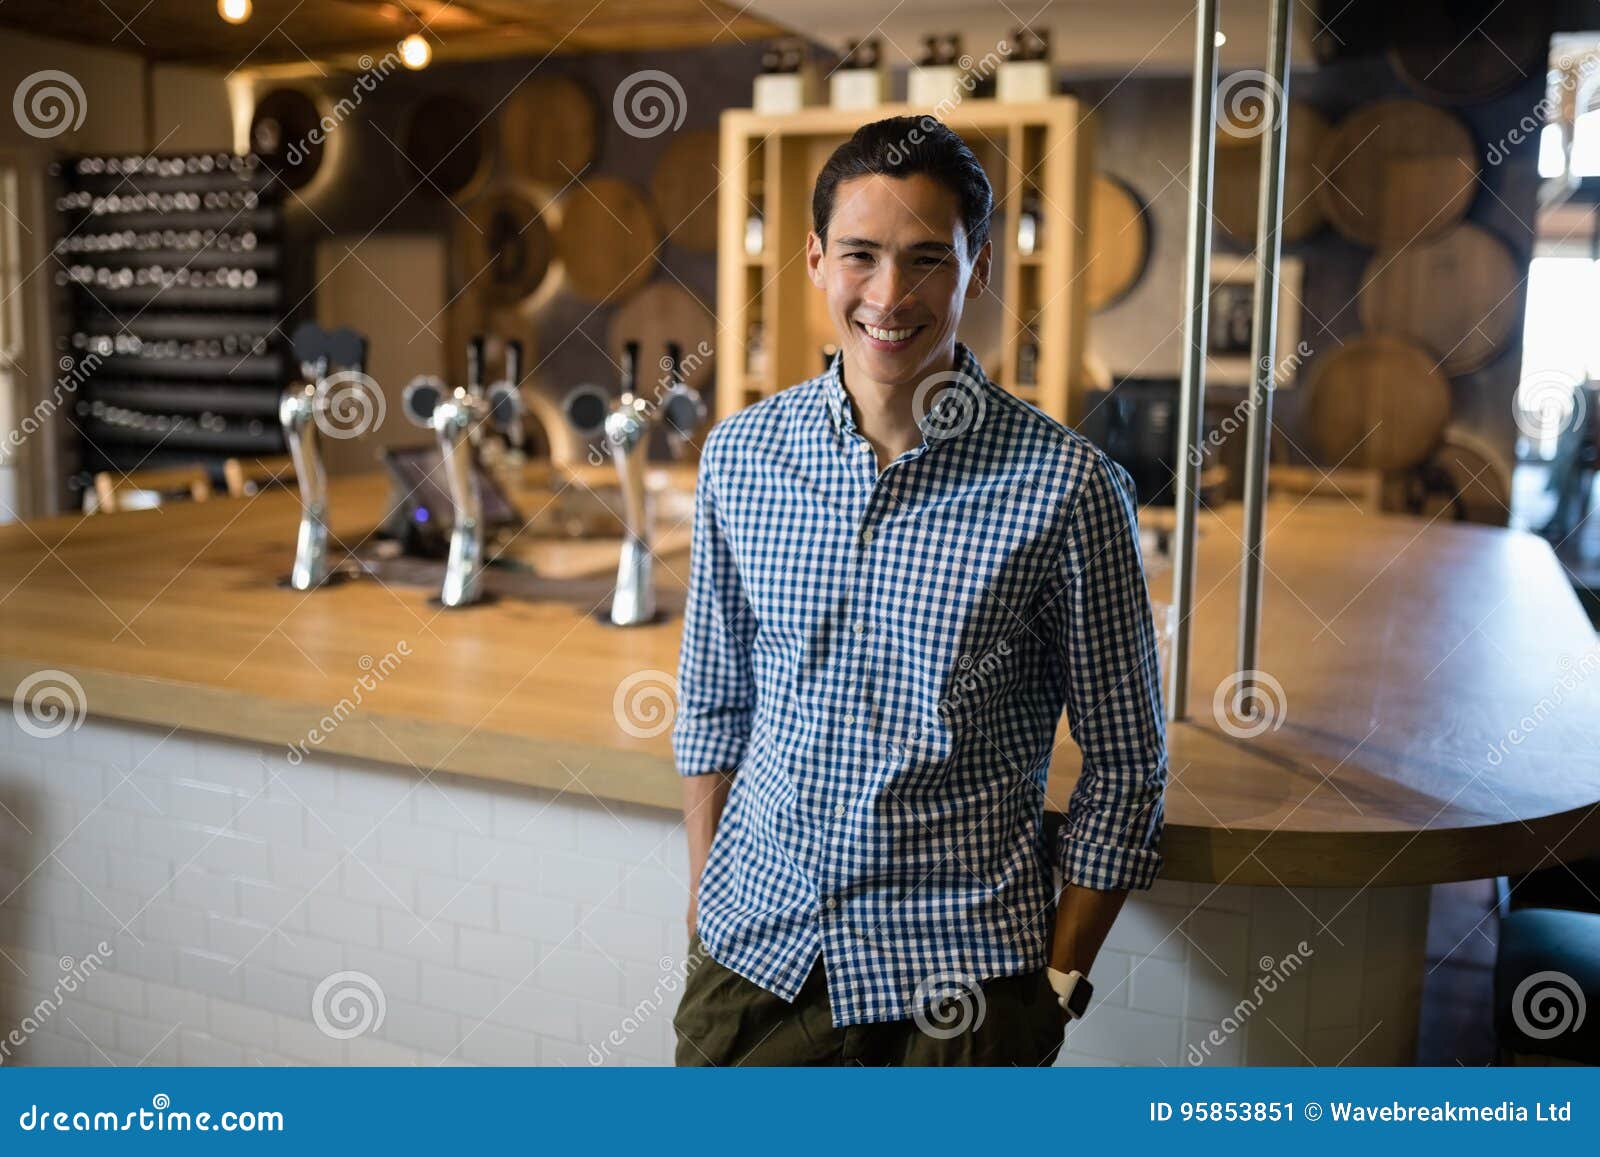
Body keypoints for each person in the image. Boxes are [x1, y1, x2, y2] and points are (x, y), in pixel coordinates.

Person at [670, 115, 1168, 1066]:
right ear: (815, 259)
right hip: (755, 960)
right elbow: (713, 703)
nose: (890, 295)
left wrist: (1056, 985)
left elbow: (1126, 763)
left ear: (977, 271)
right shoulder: (741, 455)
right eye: (860, 254)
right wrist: (704, 904)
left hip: (959, 990)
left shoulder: (1067, 487)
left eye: (927, 260)